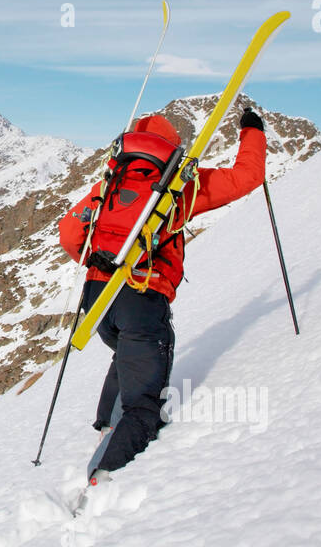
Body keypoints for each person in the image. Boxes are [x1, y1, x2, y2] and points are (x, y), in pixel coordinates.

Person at [57, 108, 267, 477]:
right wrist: (252, 131)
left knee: (126, 354)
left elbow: (69, 233)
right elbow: (247, 177)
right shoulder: (178, 186)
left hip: (96, 299)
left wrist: (95, 265)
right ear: (169, 150)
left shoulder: (110, 182)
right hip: (140, 296)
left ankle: (107, 425)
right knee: (144, 403)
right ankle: (106, 474)